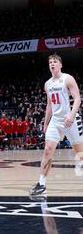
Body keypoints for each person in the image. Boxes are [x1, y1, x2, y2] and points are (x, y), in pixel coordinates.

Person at [30, 54, 83, 195]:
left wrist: (71, 116)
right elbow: (49, 105)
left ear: (60, 65)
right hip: (55, 121)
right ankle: (41, 184)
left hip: (70, 120)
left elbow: (78, 99)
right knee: (47, 150)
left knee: (80, 154)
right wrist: (46, 123)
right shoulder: (47, 84)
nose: (52, 64)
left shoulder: (67, 78)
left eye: (54, 62)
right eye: (50, 62)